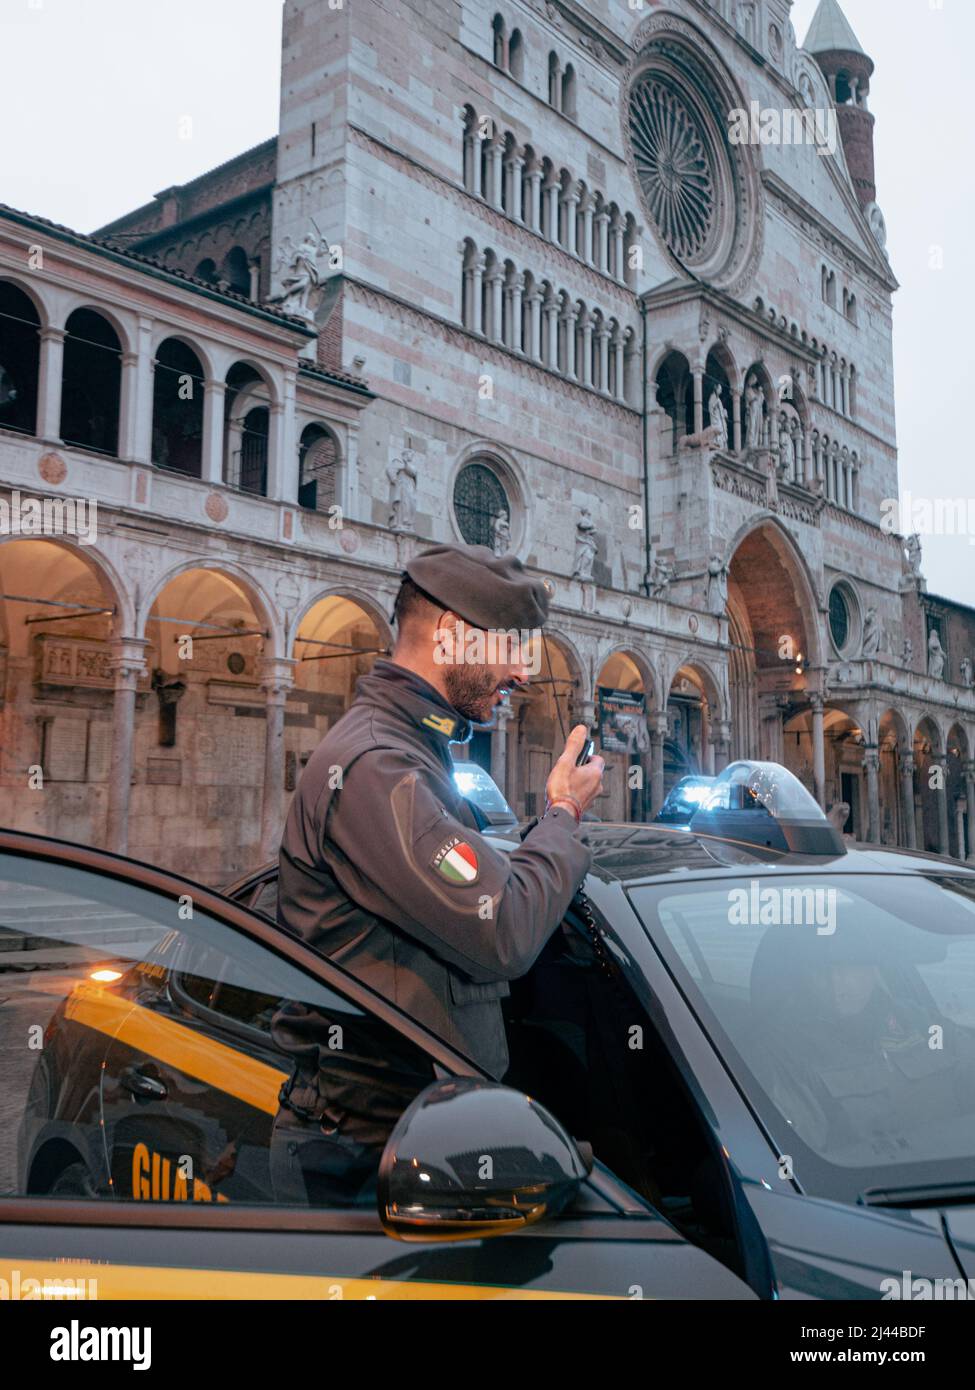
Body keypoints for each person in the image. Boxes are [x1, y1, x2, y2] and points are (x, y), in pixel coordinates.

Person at [277, 542, 605, 1082]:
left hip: (417, 1127)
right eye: (510, 644)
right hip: (374, 1142)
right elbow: (502, 925)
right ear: (451, 636)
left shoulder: (409, 750)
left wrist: (545, 826)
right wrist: (565, 811)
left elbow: (477, 883)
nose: (522, 673)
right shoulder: (376, 768)